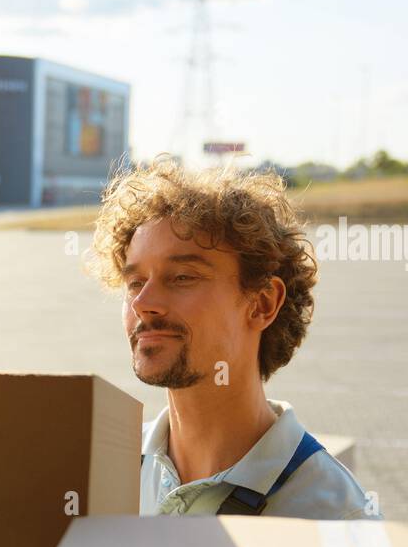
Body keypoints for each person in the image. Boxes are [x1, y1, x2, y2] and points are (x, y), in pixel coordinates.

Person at [90, 158, 378, 519]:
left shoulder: (336, 514)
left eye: (181, 277)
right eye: (134, 282)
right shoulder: (100, 476)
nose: (144, 303)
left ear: (262, 303)